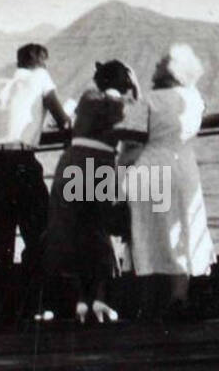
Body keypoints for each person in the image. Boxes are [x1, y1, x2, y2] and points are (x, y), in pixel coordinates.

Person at [39, 59, 142, 323]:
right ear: (125, 83)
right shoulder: (122, 106)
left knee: (76, 230)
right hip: (100, 164)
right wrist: (135, 85)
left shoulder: (86, 99)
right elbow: (139, 120)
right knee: (100, 228)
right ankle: (100, 298)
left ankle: (81, 301)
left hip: (72, 161)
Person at [0, 42, 69, 326]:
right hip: (20, 162)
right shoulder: (41, 78)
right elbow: (63, 120)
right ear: (42, 62)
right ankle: (38, 304)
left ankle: (2, 312)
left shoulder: (1, 83)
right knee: (39, 235)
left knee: (1, 242)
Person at [127, 44, 215, 321]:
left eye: (159, 64)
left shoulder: (148, 101)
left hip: (150, 167)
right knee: (184, 228)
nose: (154, 68)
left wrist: (118, 177)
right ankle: (179, 297)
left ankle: (150, 304)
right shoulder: (195, 99)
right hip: (184, 168)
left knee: (149, 234)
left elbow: (132, 142)